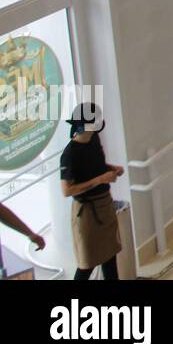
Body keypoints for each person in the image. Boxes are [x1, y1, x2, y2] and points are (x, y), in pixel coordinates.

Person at [59, 103, 123, 280]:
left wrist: (111, 169)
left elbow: (97, 167)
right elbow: (67, 190)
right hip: (86, 212)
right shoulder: (69, 154)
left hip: (104, 204)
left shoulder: (94, 139)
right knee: (87, 263)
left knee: (110, 257)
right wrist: (101, 179)